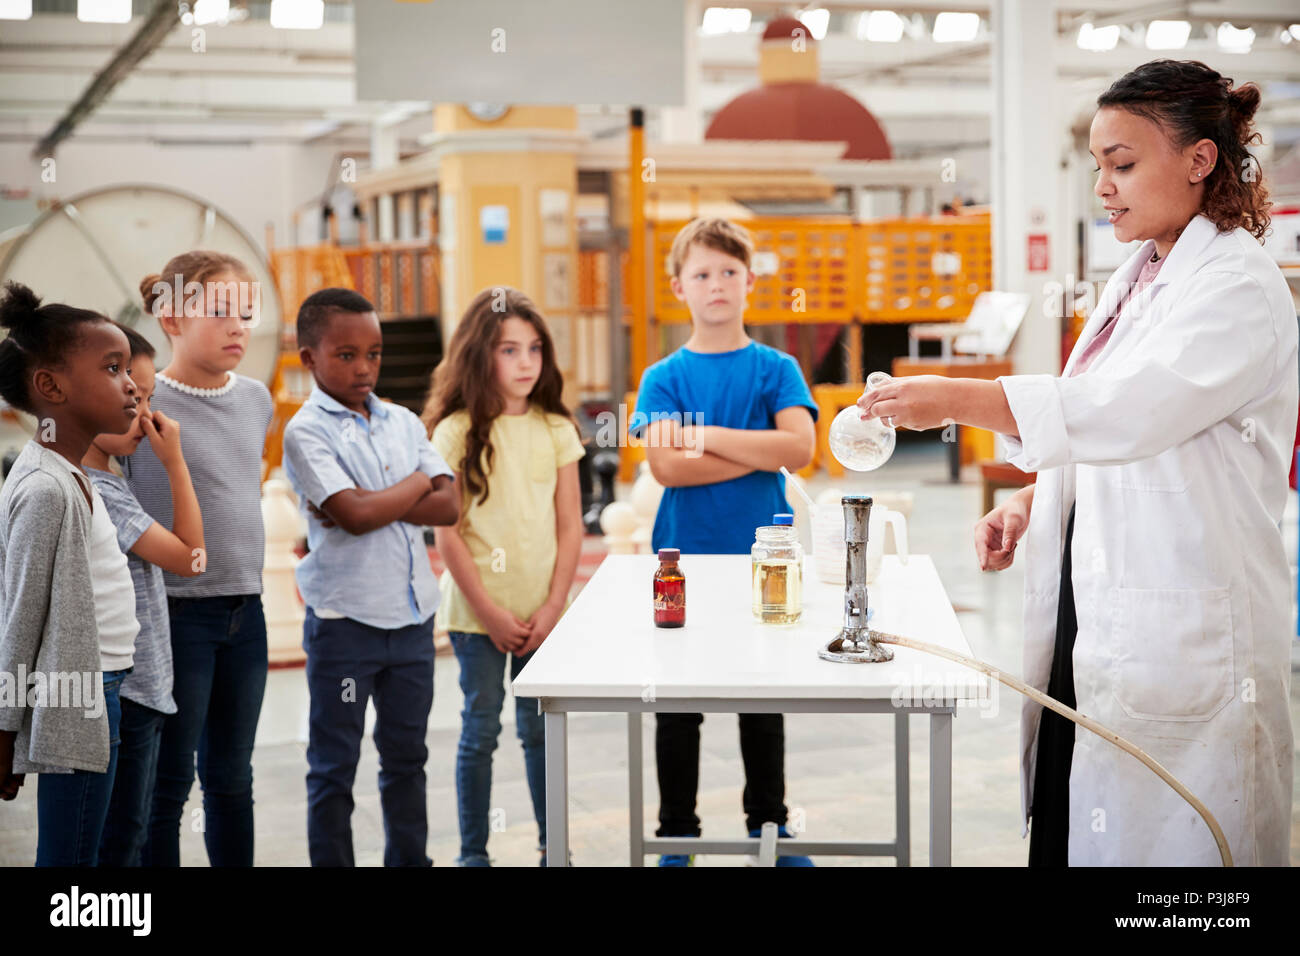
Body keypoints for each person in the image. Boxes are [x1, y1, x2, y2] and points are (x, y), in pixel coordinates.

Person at [856, 59, 1295, 866]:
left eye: (1123, 164)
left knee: (1183, 868)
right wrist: (1032, 504)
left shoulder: (1237, 287)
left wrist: (955, 399)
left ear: (1200, 161)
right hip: (1092, 619)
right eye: (1099, 166)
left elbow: (1131, 412)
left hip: (1182, 631)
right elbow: (1100, 430)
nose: (1104, 186)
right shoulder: (1138, 277)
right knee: (1075, 825)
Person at [630, 218, 818, 866]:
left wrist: (702, 436)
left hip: (764, 556)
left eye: (729, 272)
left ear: (751, 281)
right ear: (678, 285)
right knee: (676, 699)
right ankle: (676, 831)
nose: (716, 285)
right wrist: (760, 454)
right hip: (682, 556)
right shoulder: (664, 377)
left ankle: (769, 826)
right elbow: (668, 468)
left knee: (761, 694)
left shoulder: (776, 368)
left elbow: (800, 448)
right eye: (702, 274)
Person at [282, 288, 458, 867]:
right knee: (334, 766)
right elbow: (355, 519)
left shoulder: (403, 421)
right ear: (309, 357)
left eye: (375, 354)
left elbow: (450, 505)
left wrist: (376, 499)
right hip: (345, 627)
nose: (364, 368)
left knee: (407, 760)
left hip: (411, 621)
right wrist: (411, 485)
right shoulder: (307, 432)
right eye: (346, 355)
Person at [424, 287, 585, 866]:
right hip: (476, 617)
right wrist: (490, 612)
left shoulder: (556, 429)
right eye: (509, 350)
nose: (525, 362)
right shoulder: (454, 432)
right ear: (479, 355)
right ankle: (474, 854)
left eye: (534, 349)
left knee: (541, 732)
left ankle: (552, 847)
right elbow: (447, 533)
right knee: (480, 731)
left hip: (545, 615)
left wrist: (552, 607)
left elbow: (571, 527)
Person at [124, 251, 274, 866]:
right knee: (168, 784)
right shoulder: (143, 404)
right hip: (176, 616)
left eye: (246, 313)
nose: (239, 326)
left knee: (234, 780)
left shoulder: (257, 398)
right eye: (220, 313)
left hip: (248, 611)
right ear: (172, 320)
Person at [0, 282, 140, 865]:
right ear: (50, 386)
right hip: (79, 695)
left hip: (100, 684)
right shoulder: (46, 489)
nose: (131, 383)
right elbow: (20, 616)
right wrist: (5, 730)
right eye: (112, 368)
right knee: (71, 857)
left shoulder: (70, 472)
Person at [83, 325, 205, 867]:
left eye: (150, 398)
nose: (146, 416)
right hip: (129, 694)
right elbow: (191, 559)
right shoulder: (102, 489)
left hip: (141, 688)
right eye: (135, 397)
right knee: (121, 839)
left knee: (130, 830)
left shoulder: (109, 477)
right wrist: (174, 461)